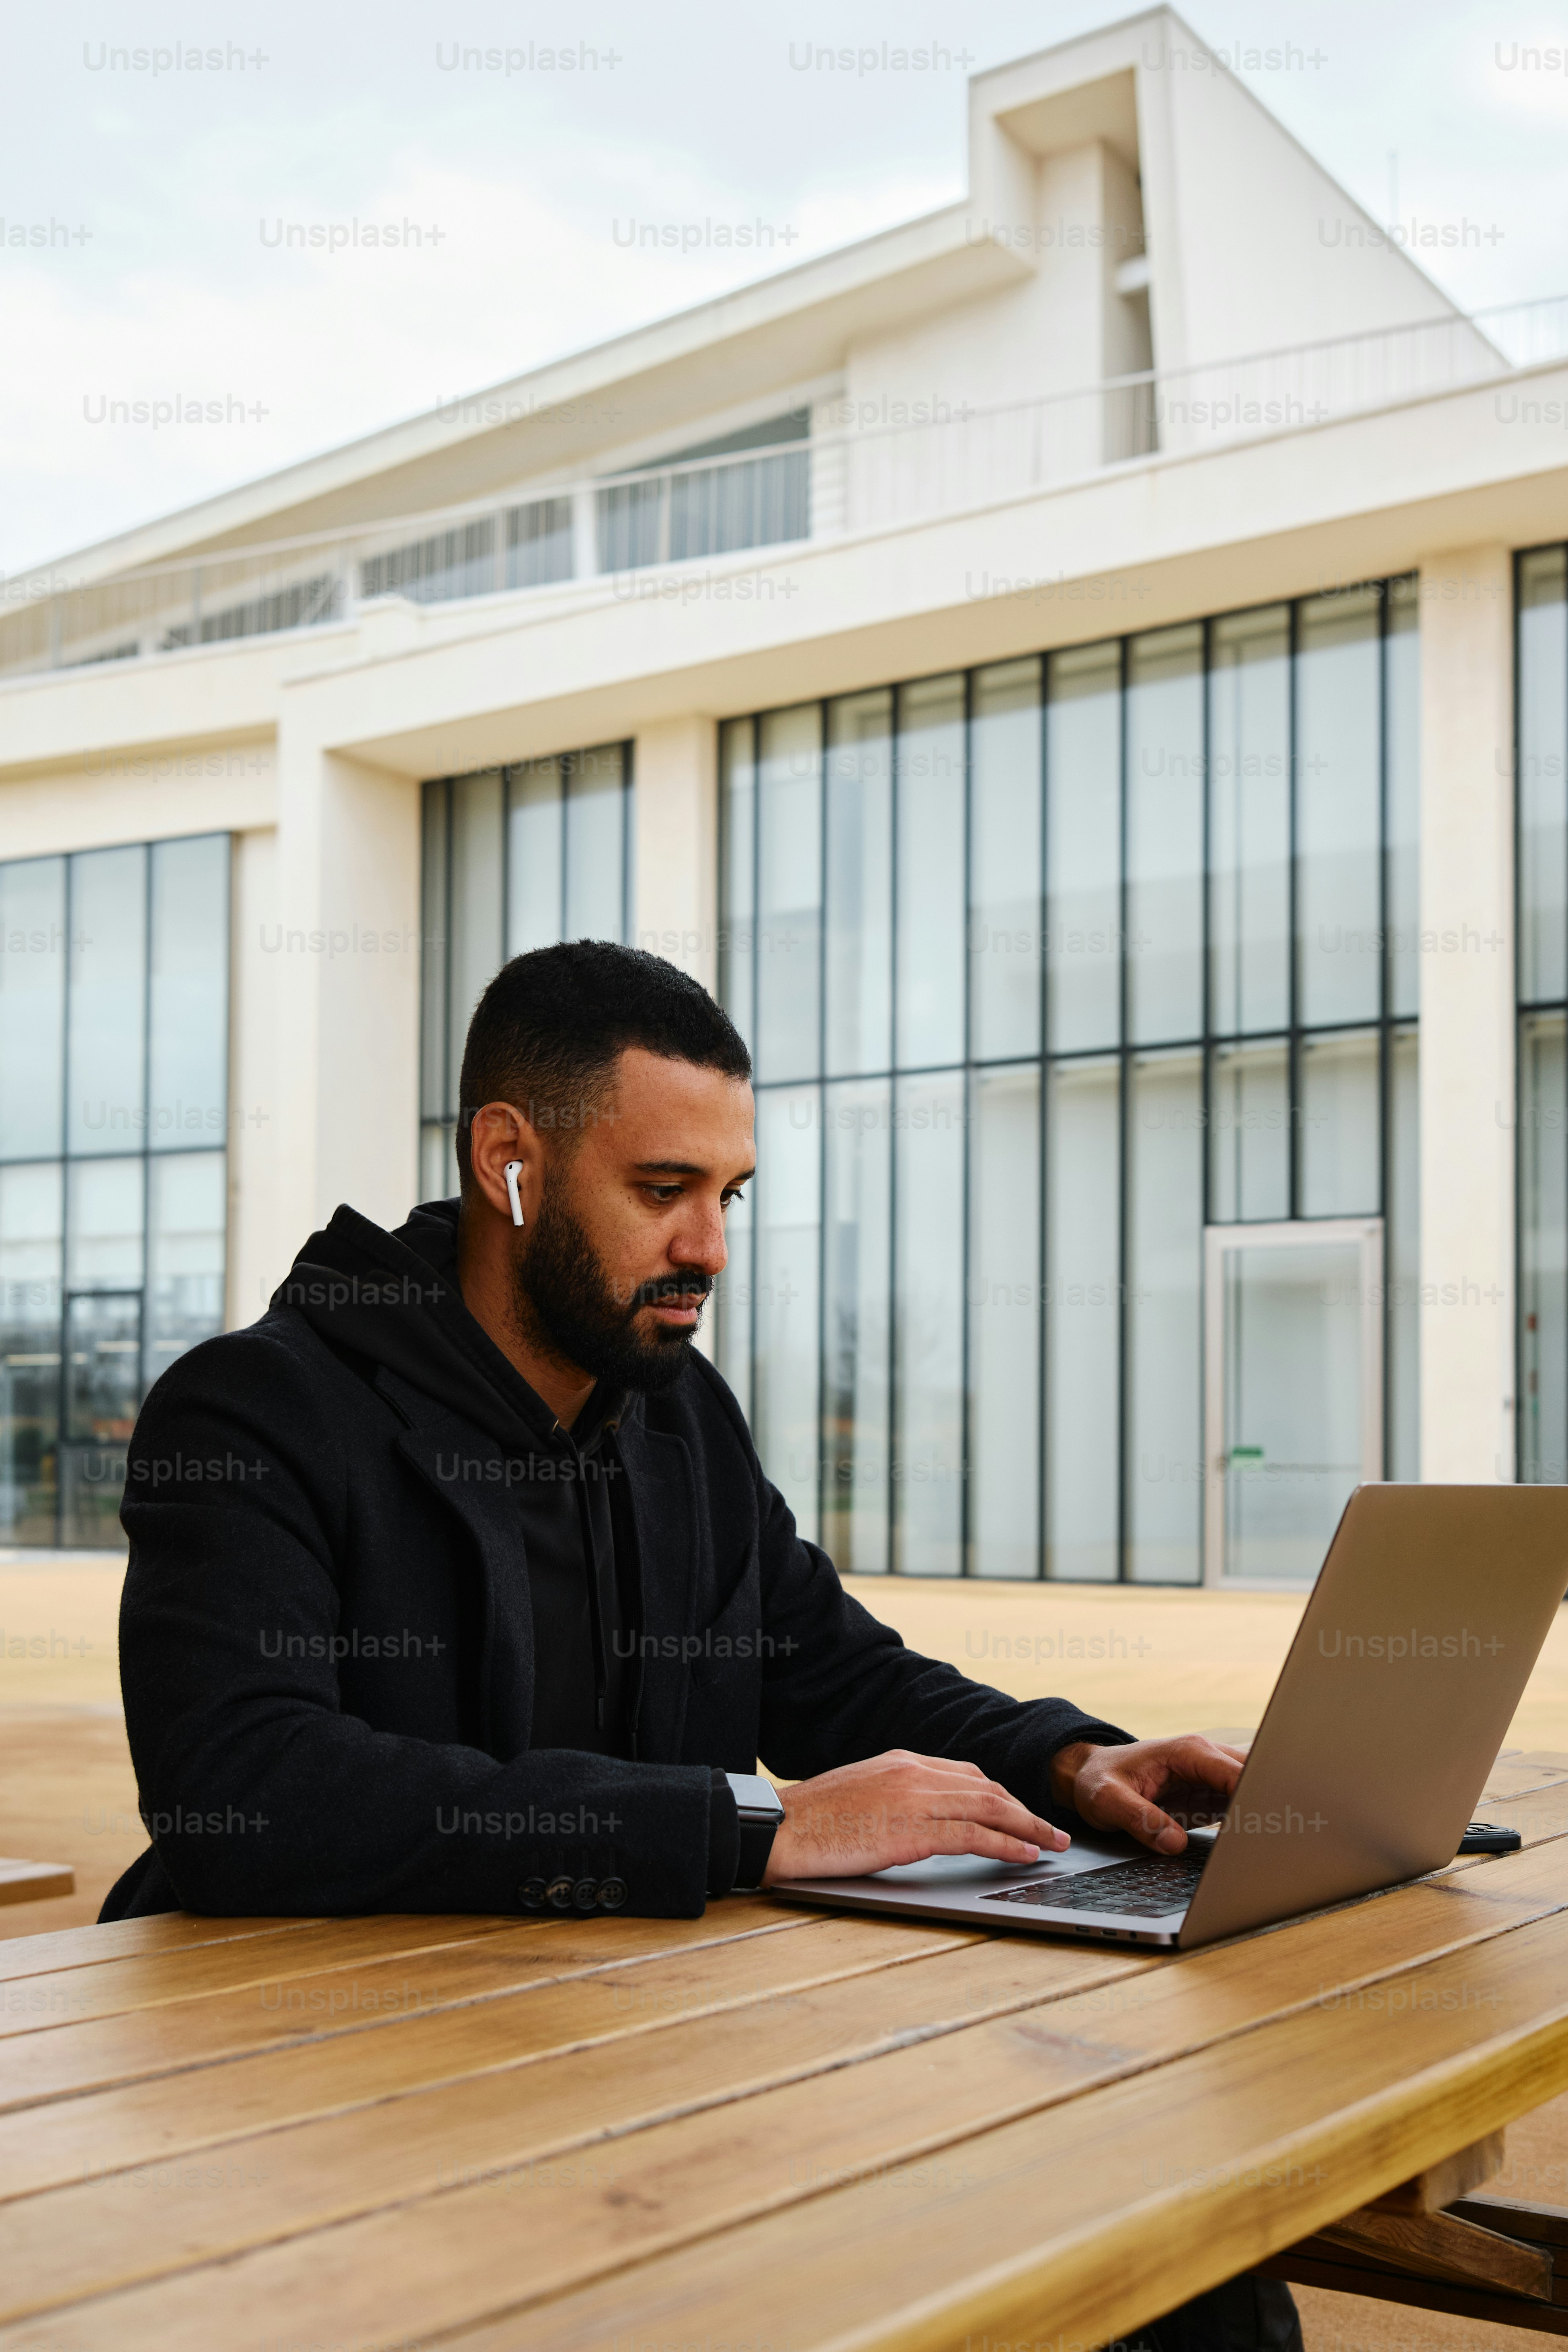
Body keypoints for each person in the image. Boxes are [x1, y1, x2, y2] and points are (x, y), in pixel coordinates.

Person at [103, 939, 1298, 2348]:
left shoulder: (677, 1414)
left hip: (635, 2061)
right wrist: (751, 1821)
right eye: (663, 1191)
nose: (711, 1249)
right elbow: (255, 1783)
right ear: (512, 1162)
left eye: (728, 1195)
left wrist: (1072, 1756)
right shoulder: (255, 1411)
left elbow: (829, 1664)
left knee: (1189, 2268)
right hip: (332, 2105)